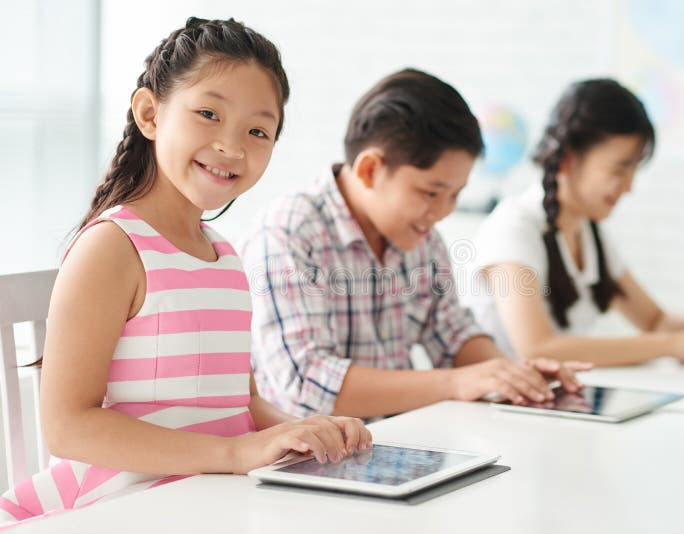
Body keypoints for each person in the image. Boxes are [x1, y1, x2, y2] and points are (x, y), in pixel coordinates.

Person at [0, 17, 370, 526]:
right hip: (122, 504)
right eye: (208, 114)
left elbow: (243, 404)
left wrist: (309, 432)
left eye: (258, 130)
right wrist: (237, 456)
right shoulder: (112, 247)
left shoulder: (224, 254)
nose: (232, 146)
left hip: (207, 498)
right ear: (151, 114)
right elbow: (67, 428)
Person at [241, 68, 589, 420]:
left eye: (455, 194)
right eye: (431, 192)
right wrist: (455, 383)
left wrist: (513, 375)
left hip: (398, 445)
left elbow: (454, 334)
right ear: (369, 170)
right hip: (307, 461)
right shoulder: (289, 231)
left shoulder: (422, 238)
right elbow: (308, 383)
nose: (442, 211)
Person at [464, 78, 684, 366]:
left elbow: (655, 321)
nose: (628, 187)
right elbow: (537, 348)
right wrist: (672, 345)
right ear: (568, 159)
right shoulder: (512, 228)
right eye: (619, 170)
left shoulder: (590, 233)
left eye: (633, 171)